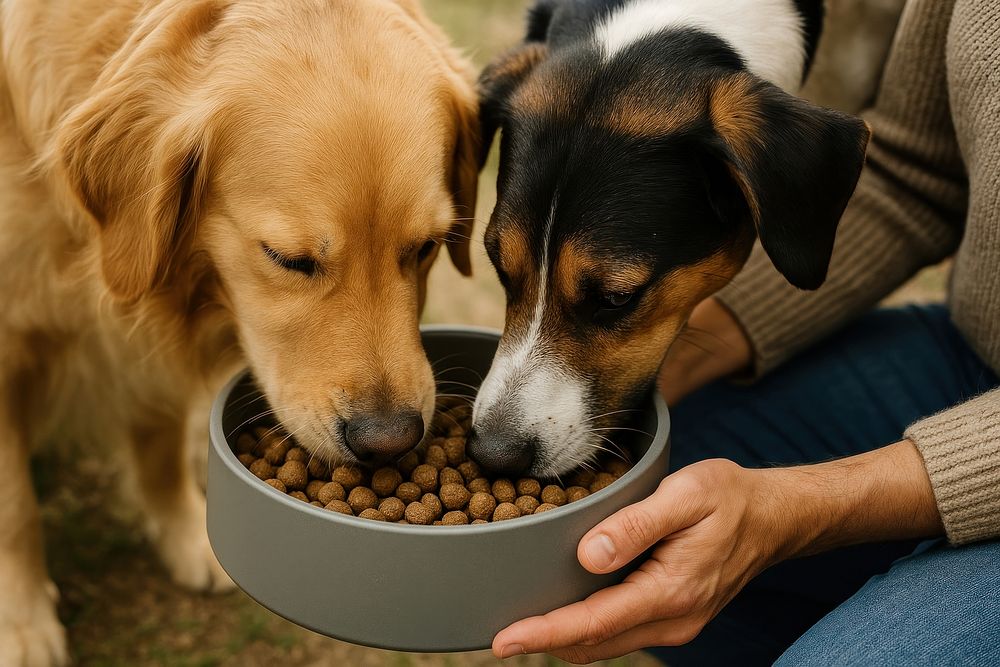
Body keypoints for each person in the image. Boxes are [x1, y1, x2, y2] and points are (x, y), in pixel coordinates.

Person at [491, 0, 1000, 663]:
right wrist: (684, 361)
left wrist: (790, 514)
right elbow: (915, 167)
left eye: (613, 295)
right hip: (971, 359)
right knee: (618, 512)